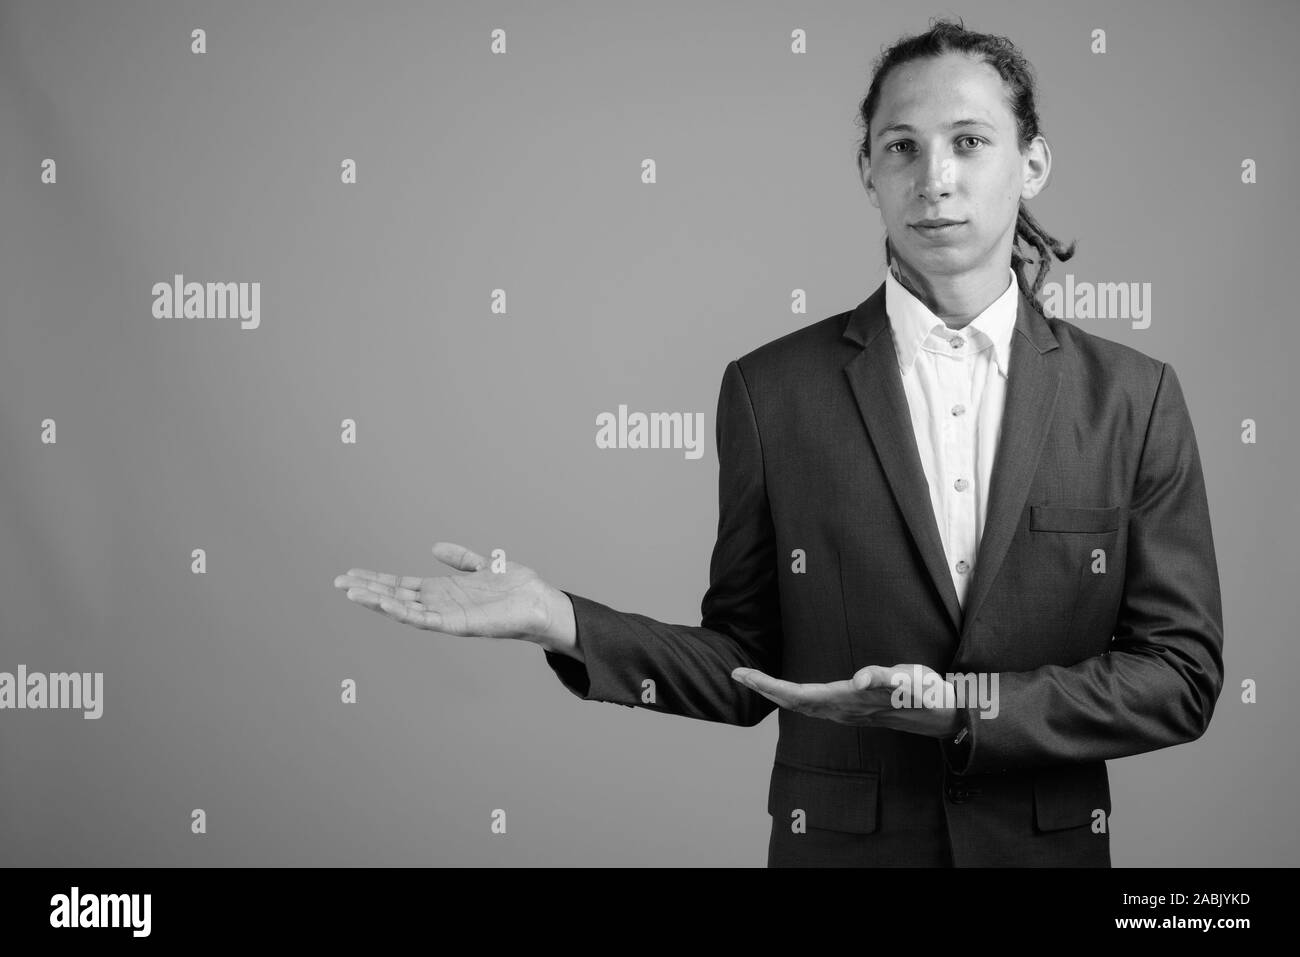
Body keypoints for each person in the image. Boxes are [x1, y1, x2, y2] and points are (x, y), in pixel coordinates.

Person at [333, 18, 1224, 867]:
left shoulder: (1135, 400)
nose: (935, 178)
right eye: (901, 147)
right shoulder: (771, 392)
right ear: (867, 172)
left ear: (1031, 163)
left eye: (969, 141)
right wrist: (562, 620)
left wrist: (968, 707)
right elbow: (741, 665)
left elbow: (1180, 674)